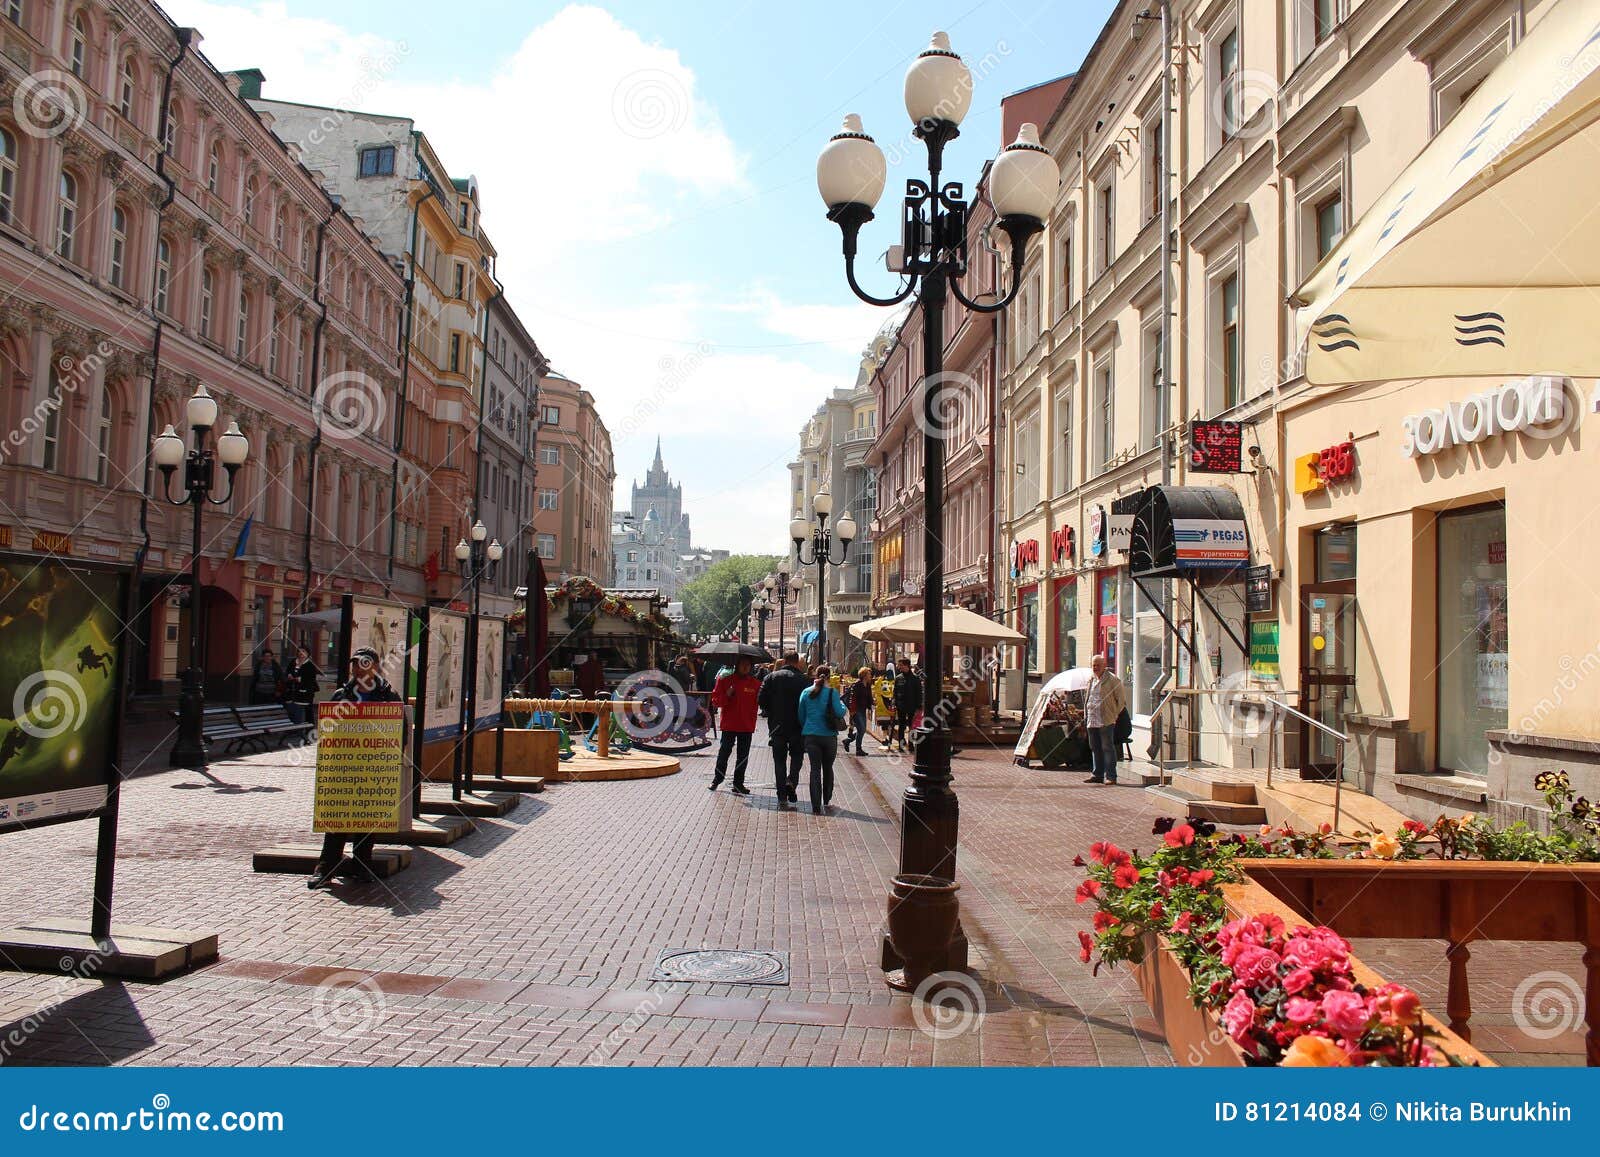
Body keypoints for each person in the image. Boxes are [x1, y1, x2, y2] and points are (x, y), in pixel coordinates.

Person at [309, 649, 404, 889]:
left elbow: (400, 729)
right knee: (337, 817)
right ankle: (326, 866)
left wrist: (390, 755)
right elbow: (327, 728)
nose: (357, 669)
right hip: (343, 767)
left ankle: (362, 864)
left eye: (363, 664)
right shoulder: (342, 695)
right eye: (354, 664)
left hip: (373, 767)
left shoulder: (387, 695)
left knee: (367, 816)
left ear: (374, 667)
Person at [758, 652, 808, 805]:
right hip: (797, 725)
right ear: (797, 662)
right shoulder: (804, 680)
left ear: (784, 660)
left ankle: (781, 796)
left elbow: (761, 700)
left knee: (779, 760)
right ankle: (791, 781)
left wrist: (771, 712)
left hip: (777, 725)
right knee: (797, 756)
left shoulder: (771, 678)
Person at [709, 655, 761, 794]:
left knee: (742, 756)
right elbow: (716, 701)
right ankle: (717, 778)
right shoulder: (724, 680)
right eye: (743, 664)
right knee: (724, 753)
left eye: (748, 665)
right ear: (736, 665)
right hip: (729, 725)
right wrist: (727, 694)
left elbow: (763, 702)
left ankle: (738, 783)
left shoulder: (756, 684)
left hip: (746, 725)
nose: (745, 667)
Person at [797, 665, 845, 813]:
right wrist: (842, 704)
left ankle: (816, 804)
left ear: (815, 675)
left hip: (811, 735)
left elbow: (801, 715)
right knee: (828, 767)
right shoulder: (832, 693)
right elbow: (840, 712)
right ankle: (827, 797)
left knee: (815, 769)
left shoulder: (806, 692)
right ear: (829, 677)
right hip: (829, 736)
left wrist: (808, 727)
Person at [1085, 652, 1130, 785]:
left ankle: (1111, 776)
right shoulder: (1091, 679)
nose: (1095, 667)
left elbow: (1121, 701)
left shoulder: (1113, 680)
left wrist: (1113, 714)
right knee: (1095, 747)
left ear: (1104, 665)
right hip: (1091, 719)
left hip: (1106, 719)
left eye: (1098, 665)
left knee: (1107, 747)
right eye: (1093, 665)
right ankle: (1097, 774)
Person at [889, 657, 922, 753]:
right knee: (901, 726)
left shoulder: (915, 678)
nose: (899, 667)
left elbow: (919, 693)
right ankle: (901, 745)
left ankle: (911, 745)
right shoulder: (898, 678)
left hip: (912, 706)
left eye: (901, 665)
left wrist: (919, 706)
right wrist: (894, 702)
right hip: (901, 706)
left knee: (912, 726)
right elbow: (895, 692)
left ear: (907, 666)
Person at [843, 666, 874, 756]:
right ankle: (858, 749)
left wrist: (871, 704)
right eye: (869, 674)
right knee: (862, 729)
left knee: (862, 730)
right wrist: (852, 711)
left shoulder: (867, 685)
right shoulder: (857, 685)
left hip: (863, 709)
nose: (870, 676)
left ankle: (848, 741)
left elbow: (869, 696)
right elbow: (852, 698)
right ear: (864, 675)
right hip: (856, 710)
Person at [288, 645, 319, 725]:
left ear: (307, 653)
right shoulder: (293, 662)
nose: (301, 653)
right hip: (294, 691)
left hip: (306, 692)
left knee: (307, 710)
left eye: (303, 651)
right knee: (294, 710)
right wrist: (289, 675)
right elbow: (288, 671)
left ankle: (309, 727)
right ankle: (294, 728)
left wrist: (300, 679)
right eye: (299, 651)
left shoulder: (310, 665)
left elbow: (311, 678)